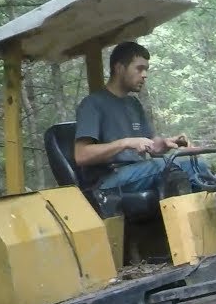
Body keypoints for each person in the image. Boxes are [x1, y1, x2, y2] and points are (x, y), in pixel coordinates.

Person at [74, 41, 193, 195]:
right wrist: (126, 143)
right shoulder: (92, 104)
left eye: (146, 70)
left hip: (138, 172)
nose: (145, 75)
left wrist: (165, 143)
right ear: (119, 68)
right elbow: (81, 155)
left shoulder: (133, 104)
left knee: (196, 165)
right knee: (178, 166)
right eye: (139, 69)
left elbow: (151, 145)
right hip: (107, 180)